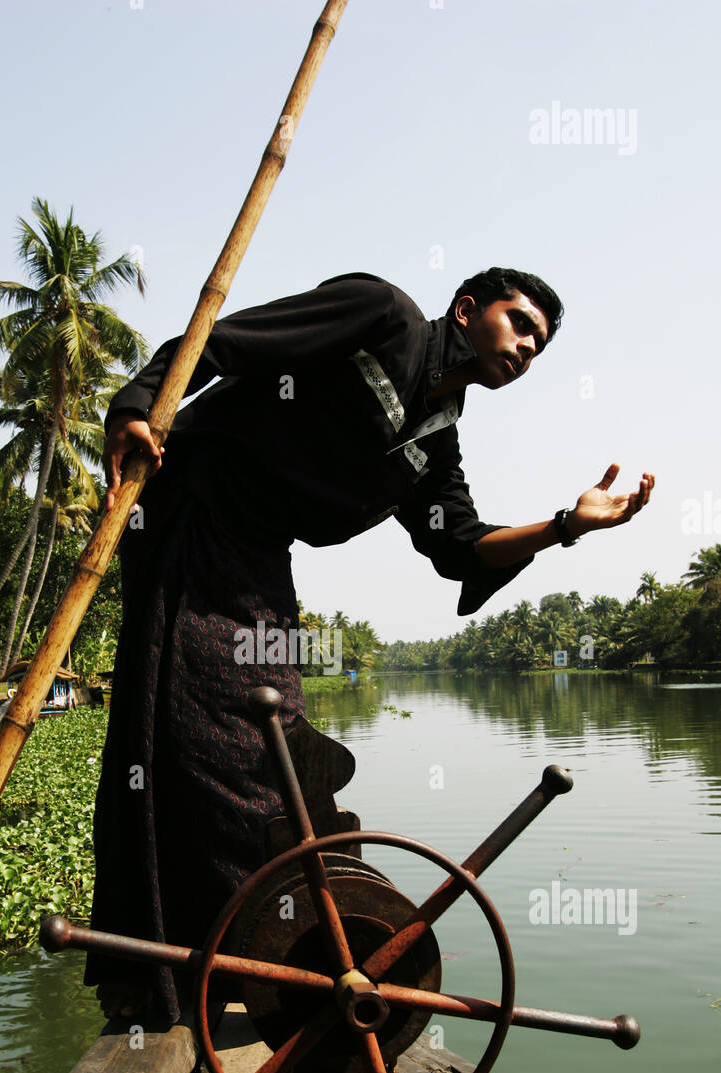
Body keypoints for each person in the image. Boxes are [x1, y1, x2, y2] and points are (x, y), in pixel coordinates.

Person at [86, 268, 654, 1023]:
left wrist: (565, 526)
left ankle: (251, 959)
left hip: (257, 557)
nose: (526, 347)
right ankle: (186, 971)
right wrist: (133, 409)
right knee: (206, 734)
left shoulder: (435, 446)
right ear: (467, 309)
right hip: (192, 504)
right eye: (519, 324)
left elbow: (463, 545)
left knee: (275, 744)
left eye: (540, 346)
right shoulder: (381, 315)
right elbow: (224, 344)